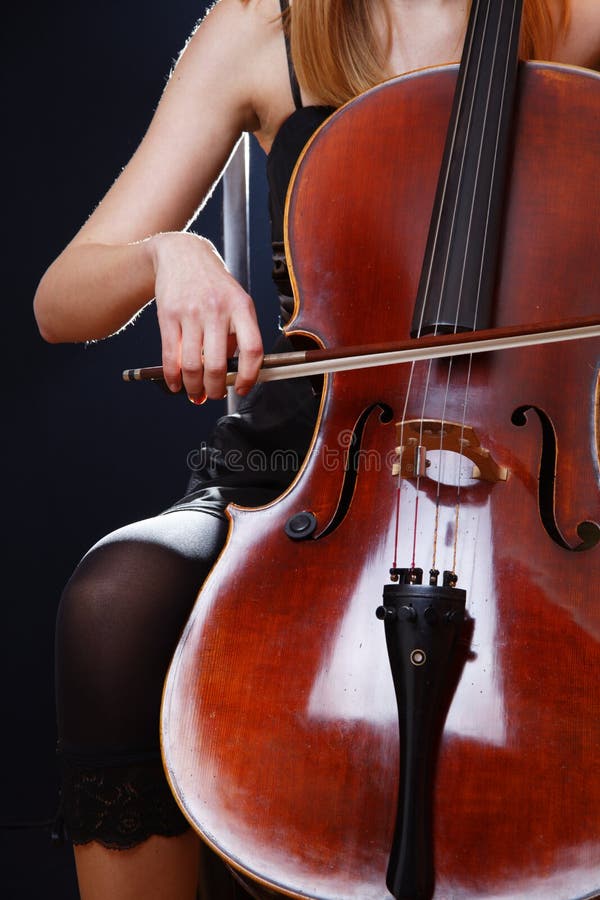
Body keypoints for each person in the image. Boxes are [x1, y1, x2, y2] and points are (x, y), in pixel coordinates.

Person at [33, 1, 600, 898]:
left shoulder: (572, 20)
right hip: (302, 472)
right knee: (116, 600)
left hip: (538, 471)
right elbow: (63, 301)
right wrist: (169, 254)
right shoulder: (266, 26)